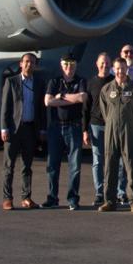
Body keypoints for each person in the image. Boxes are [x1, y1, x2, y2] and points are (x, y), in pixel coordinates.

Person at [97, 59, 133, 212]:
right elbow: (104, 111)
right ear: (114, 70)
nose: (120, 72)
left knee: (132, 165)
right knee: (110, 165)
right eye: (117, 69)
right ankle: (110, 201)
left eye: (123, 68)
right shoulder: (106, 89)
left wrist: (131, 123)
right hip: (111, 130)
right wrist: (113, 122)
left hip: (129, 131)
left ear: (127, 69)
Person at [43, 55, 91, 209]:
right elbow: (48, 101)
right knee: (52, 165)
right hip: (56, 127)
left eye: (71, 64)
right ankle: (52, 198)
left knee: (75, 166)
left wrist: (61, 97)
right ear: (61, 65)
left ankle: (73, 199)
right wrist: (71, 98)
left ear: (75, 65)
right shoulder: (54, 81)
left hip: (74, 127)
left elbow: (82, 98)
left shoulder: (81, 81)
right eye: (66, 64)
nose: (69, 67)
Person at [0, 52, 43, 211]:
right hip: (14, 129)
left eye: (32, 62)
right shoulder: (11, 82)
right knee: (9, 165)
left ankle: (26, 197)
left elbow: (40, 108)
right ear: (20, 64)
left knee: (27, 166)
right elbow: (5, 106)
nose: (29, 64)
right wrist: (4, 127)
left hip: (30, 129)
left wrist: (41, 129)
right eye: (26, 62)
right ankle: (7, 198)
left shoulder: (38, 83)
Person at [84, 52, 123, 208]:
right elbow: (86, 108)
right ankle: (100, 192)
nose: (105, 65)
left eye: (107, 63)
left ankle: (120, 192)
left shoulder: (116, 82)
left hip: (113, 125)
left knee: (118, 160)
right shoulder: (91, 83)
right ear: (97, 64)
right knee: (98, 160)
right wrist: (84, 129)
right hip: (95, 125)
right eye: (102, 63)